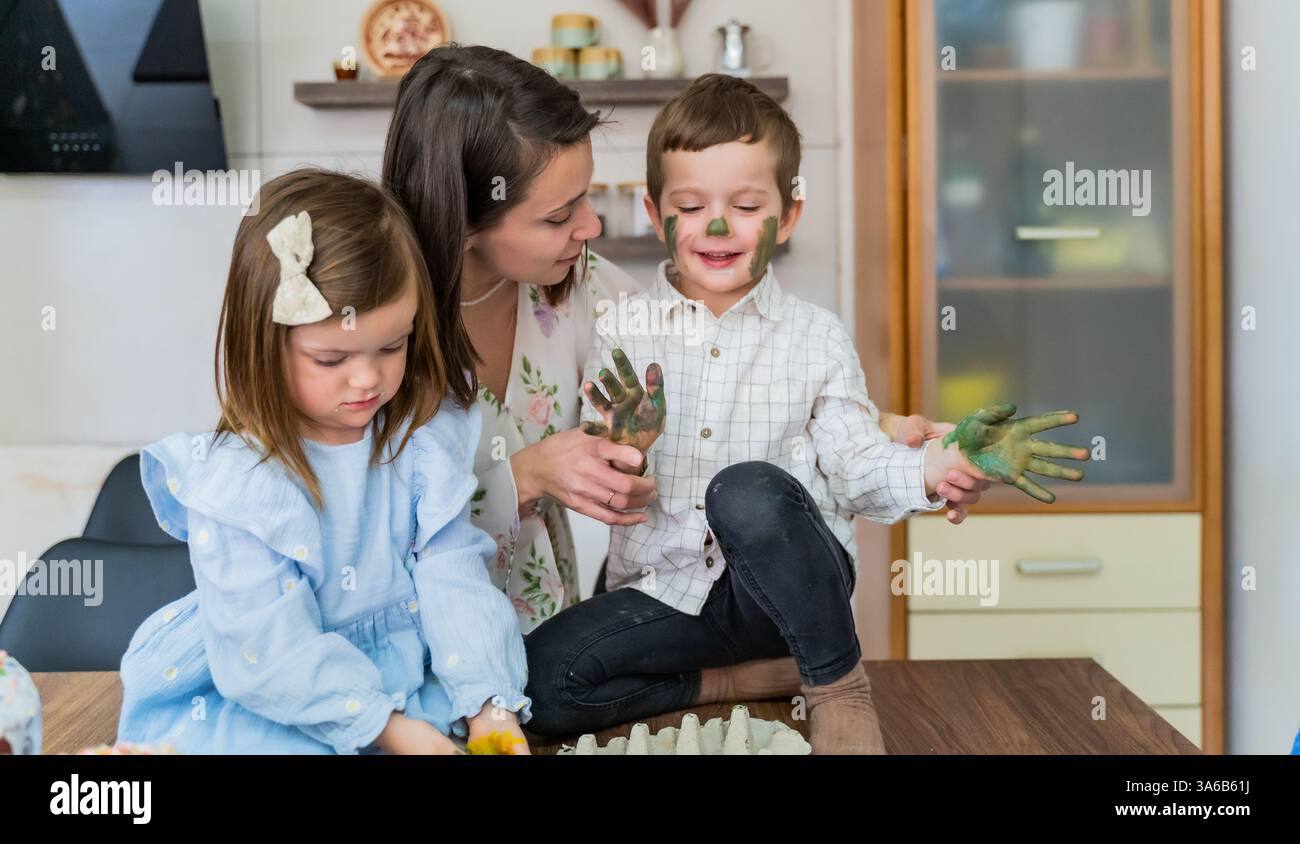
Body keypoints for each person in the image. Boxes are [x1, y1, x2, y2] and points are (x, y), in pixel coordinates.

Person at [524, 75, 1086, 753]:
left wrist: (943, 466)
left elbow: (856, 464)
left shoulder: (815, 337)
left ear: (787, 217)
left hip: (788, 599)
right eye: (693, 205)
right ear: (654, 212)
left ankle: (835, 685)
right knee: (537, 682)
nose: (720, 226)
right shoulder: (623, 331)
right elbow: (605, 478)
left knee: (745, 489)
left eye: (747, 205)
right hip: (669, 593)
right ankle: (737, 682)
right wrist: (627, 449)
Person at [116, 169, 531, 754]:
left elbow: (451, 573)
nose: (367, 378)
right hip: (276, 695)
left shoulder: (418, 441)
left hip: (407, 684)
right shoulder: (240, 482)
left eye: (392, 346)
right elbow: (270, 653)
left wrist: (488, 703)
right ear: (264, 343)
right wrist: (388, 730)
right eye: (331, 357)